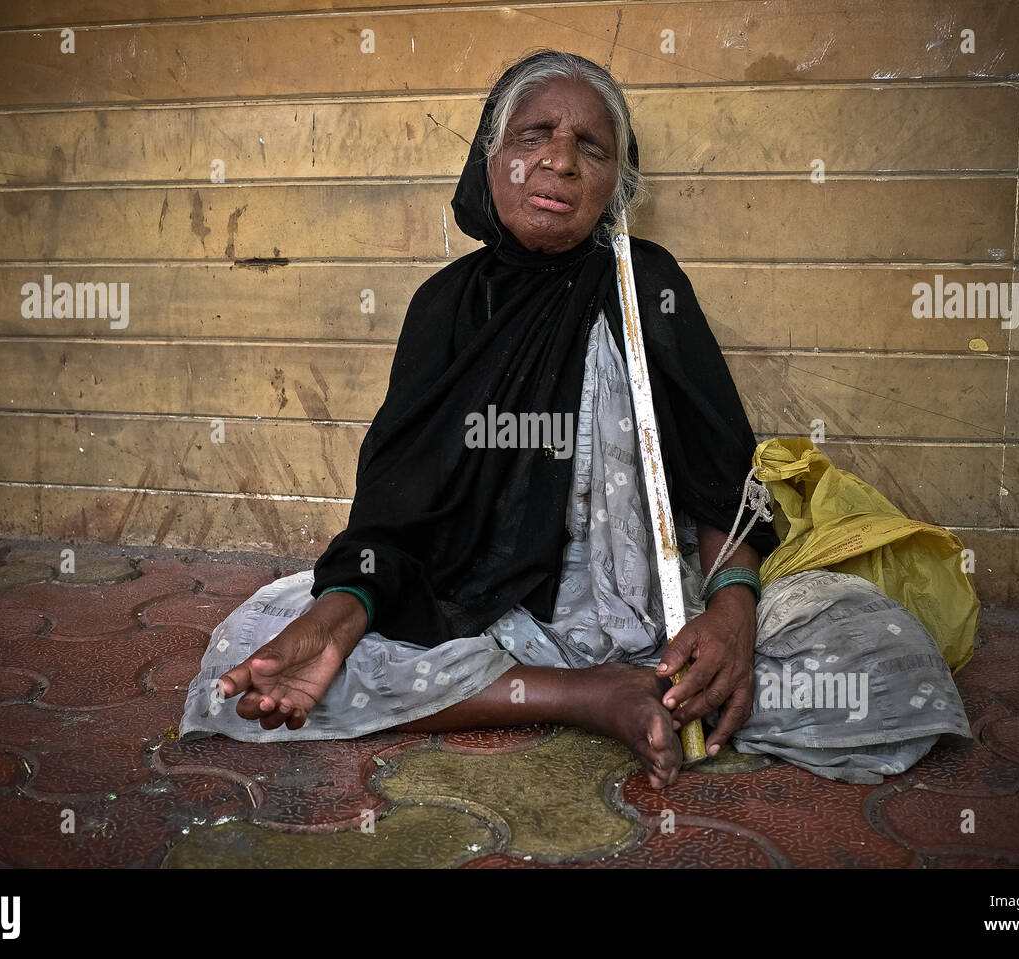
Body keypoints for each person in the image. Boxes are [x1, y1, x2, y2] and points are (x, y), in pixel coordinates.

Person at [181, 50, 970, 790]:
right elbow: (394, 516)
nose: (560, 159)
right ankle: (586, 697)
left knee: (887, 658)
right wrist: (337, 616)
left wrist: (731, 612)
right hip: (479, 611)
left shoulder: (646, 285)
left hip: (664, 617)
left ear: (614, 185)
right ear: (491, 160)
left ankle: (639, 684)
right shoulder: (445, 308)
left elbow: (720, 477)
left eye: (591, 147)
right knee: (254, 653)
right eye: (534, 135)